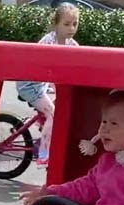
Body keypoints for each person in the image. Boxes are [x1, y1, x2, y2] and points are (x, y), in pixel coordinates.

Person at [14, 3, 80, 165]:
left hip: (43, 84)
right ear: (55, 24)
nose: (71, 28)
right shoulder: (48, 42)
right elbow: (46, 69)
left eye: (74, 24)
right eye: (66, 24)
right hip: (29, 85)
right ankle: (44, 153)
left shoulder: (72, 45)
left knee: (63, 106)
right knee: (54, 113)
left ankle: (42, 125)